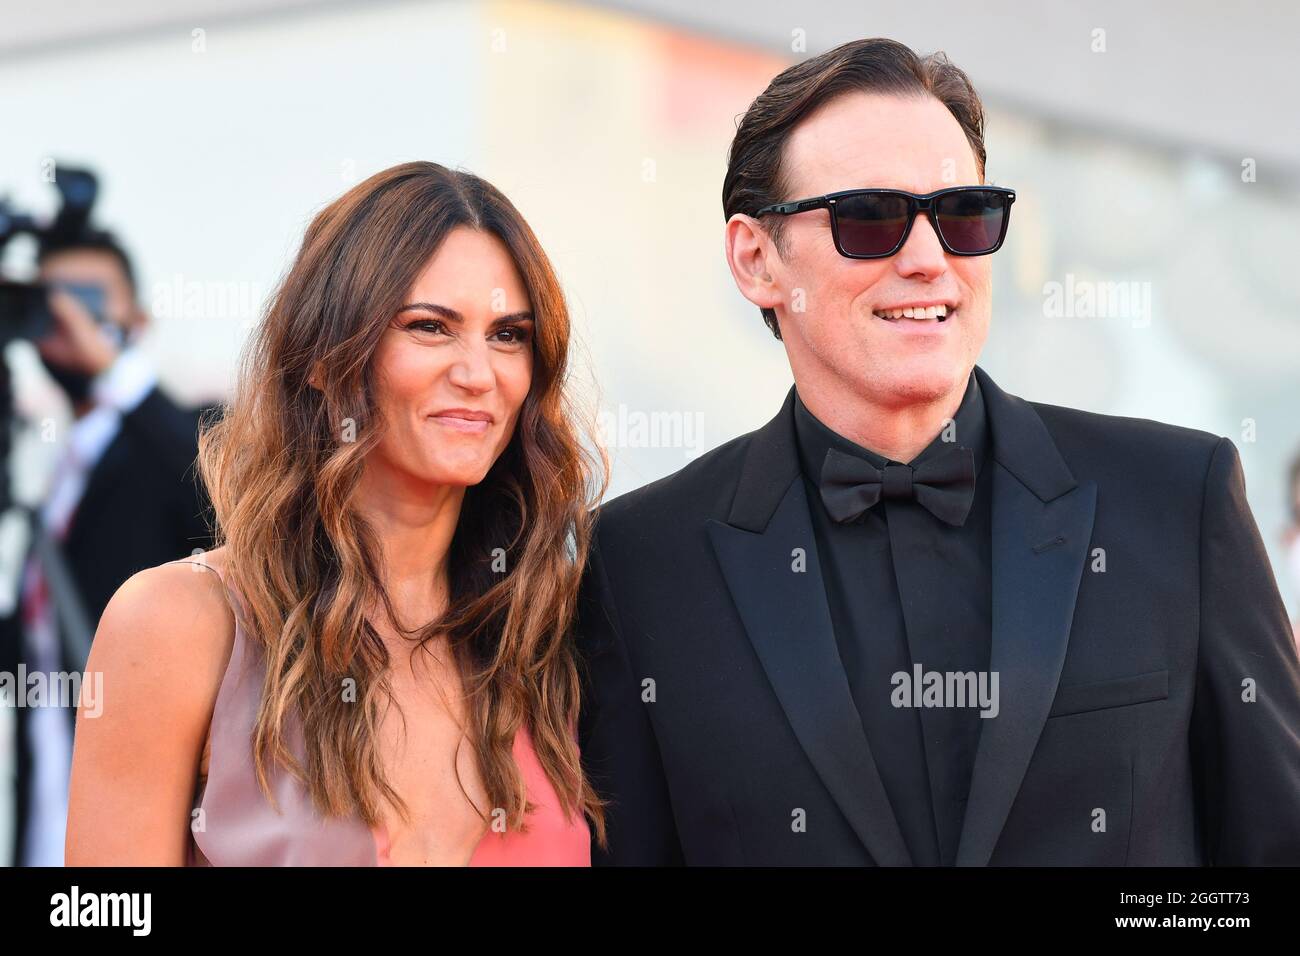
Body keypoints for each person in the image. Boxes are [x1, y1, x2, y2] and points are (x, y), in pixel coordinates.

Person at [576, 37, 1300, 865]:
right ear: (755, 258)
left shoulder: (1178, 499)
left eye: (961, 215)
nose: (928, 260)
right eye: (869, 219)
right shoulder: (640, 563)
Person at [65, 161, 607, 866]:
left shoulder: (549, 639)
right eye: (430, 327)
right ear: (323, 357)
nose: (479, 373)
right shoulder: (180, 624)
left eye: (509, 335)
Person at [0, 230, 214, 867]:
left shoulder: (178, 434)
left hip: (142, 823)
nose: (70, 318)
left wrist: (114, 372)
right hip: (46, 811)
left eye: (91, 299)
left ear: (139, 319)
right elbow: (37, 648)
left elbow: (214, 498)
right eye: (54, 300)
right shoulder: (54, 461)